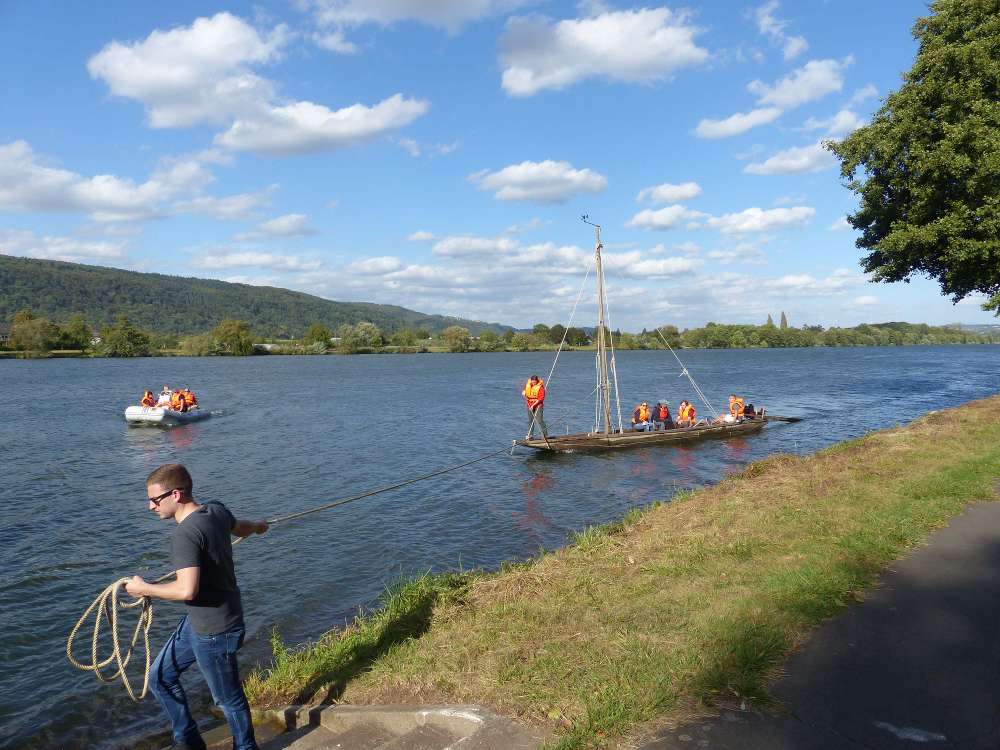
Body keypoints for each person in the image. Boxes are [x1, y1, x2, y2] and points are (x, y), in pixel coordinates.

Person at [126, 463, 268, 750]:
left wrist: (144, 588)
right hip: (201, 621)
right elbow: (243, 527)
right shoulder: (215, 510)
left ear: (175, 495)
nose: (150, 507)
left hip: (216, 630)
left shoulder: (184, 535)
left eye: (155, 500)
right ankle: (188, 741)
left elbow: (186, 589)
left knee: (227, 699)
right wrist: (259, 527)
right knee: (160, 677)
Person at [523, 374, 548, 439]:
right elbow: (526, 393)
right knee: (530, 421)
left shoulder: (541, 388)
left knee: (539, 420)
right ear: (531, 381)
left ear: (537, 381)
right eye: (532, 381)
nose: (534, 383)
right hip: (529, 405)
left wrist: (533, 405)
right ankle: (530, 435)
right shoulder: (528, 386)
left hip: (538, 405)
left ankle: (545, 435)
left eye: (535, 381)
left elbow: (541, 398)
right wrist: (524, 393)